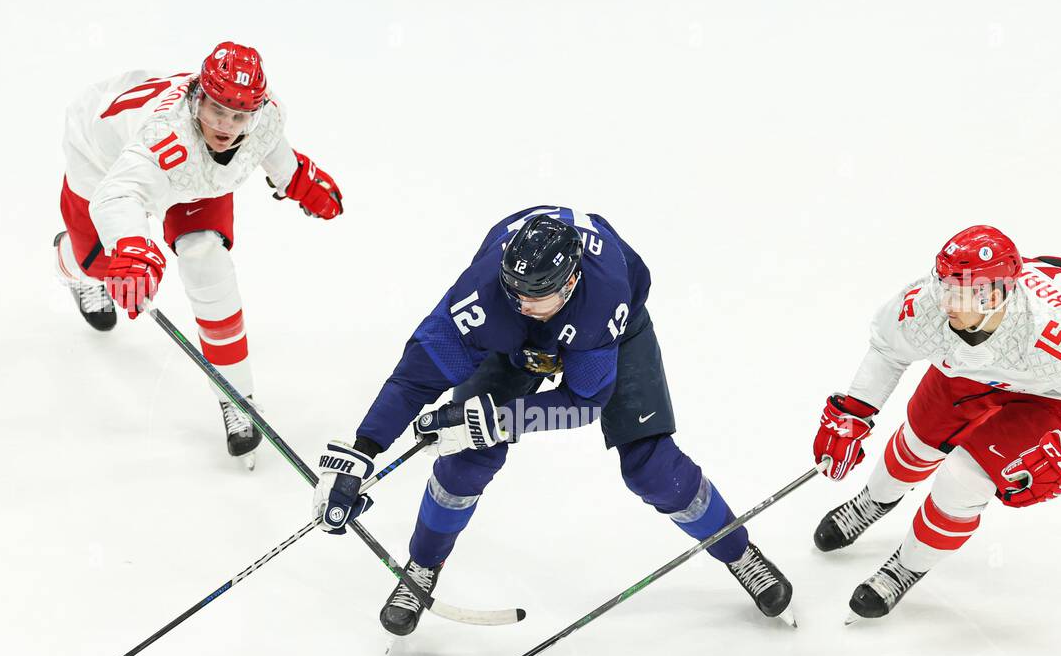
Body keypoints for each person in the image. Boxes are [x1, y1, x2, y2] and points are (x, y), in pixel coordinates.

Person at [312, 207, 796, 634]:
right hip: (516, 345)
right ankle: (421, 565)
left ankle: (738, 552)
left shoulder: (602, 297)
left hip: (610, 337)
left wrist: (501, 420)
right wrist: (362, 450)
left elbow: (584, 401)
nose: (522, 302)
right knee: (464, 460)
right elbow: (415, 377)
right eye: (514, 291)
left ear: (569, 282)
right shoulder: (486, 294)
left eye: (536, 294)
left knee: (653, 466)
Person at [811, 225, 1061, 621]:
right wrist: (854, 412)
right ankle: (874, 499)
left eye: (956, 292)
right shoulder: (932, 307)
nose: (943, 301)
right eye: (943, 284)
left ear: (993, 295)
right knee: (920, 436)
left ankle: (909, 564)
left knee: (961, 480)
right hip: (981, 365)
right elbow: (887, 346)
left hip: (1058, 392)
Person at [54, 42, 343, 467]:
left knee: (206, 258)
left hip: (192, 178)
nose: (226, 126)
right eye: (217, 112)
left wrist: (295, 176)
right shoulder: (163, 138)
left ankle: (235, 394)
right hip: (100, 158)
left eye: (239, 115)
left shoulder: (264, 116)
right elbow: (118, 195)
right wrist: (132, 249)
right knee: (97, 266)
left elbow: (267, 142)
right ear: (197, 99)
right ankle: (71, 264)